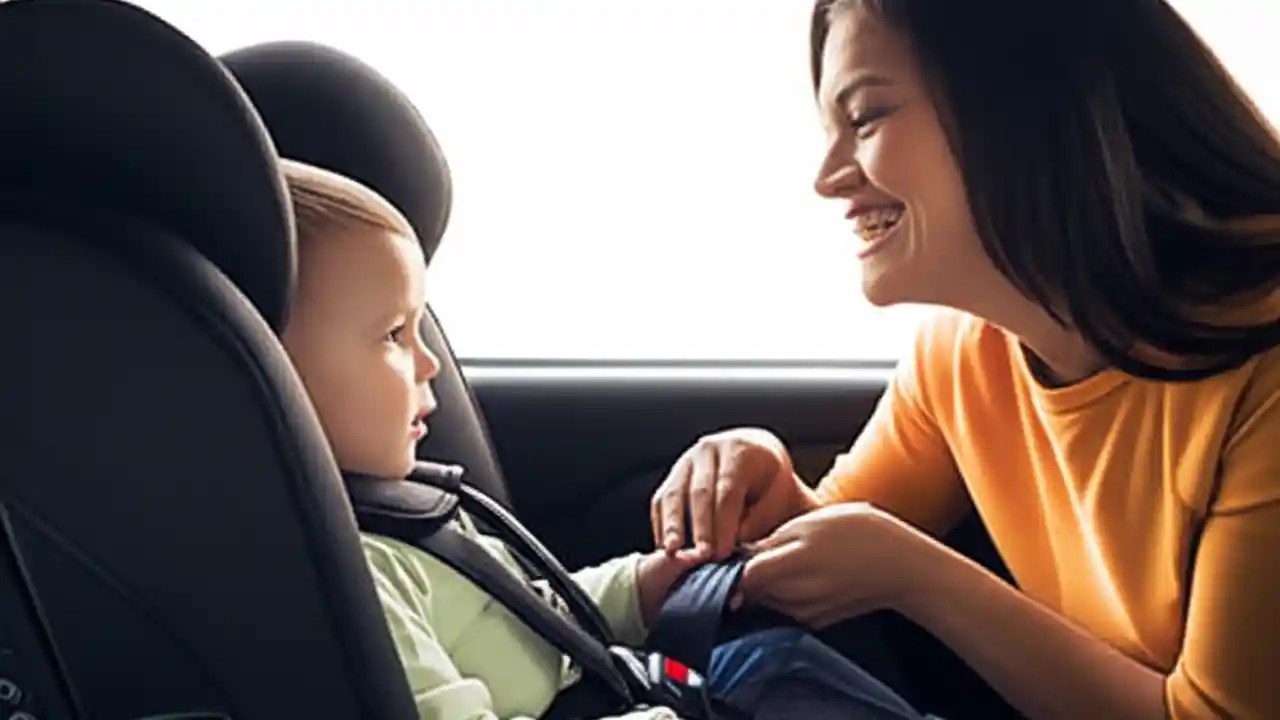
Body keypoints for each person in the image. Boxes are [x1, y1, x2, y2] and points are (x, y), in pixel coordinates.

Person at [651, 1, 1280, 718]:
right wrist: (769, 485)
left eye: (865, 119)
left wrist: (918, 577)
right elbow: (841, 546)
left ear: (1023, 109)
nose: (828, 177)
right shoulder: (964, 350)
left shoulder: (1264, 372)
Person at [275, 159, 939, 720]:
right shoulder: (356, 578)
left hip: (631, 680)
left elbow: (540, 616)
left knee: (776, 662)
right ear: (271, 376)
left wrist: (646, 585)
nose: (430, 363)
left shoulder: (406, 513)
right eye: (394, 335)